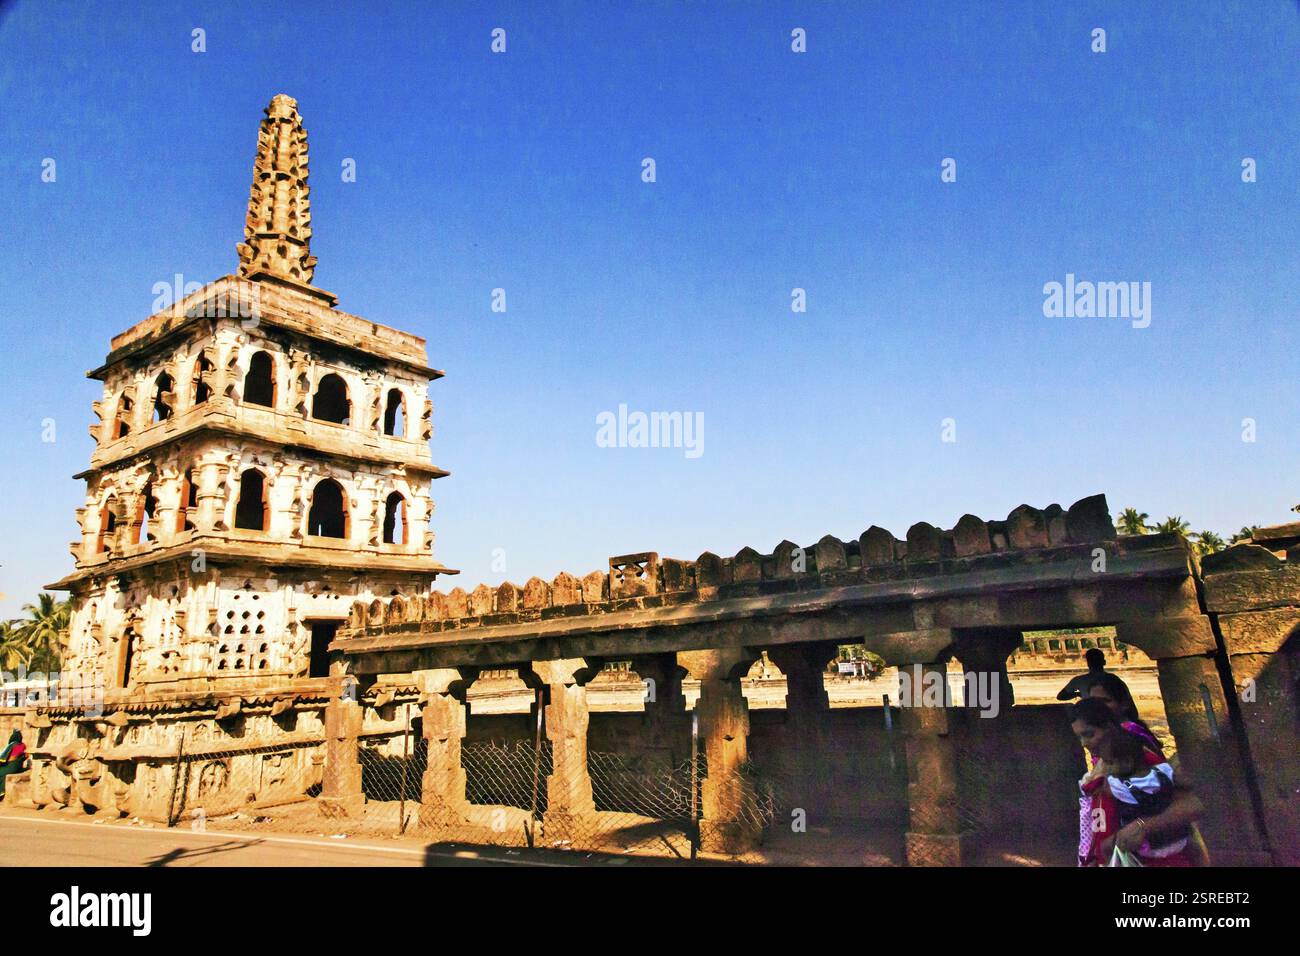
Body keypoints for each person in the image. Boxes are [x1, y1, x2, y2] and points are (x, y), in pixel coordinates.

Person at [1071, 698, 1204, 866]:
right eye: (1079, 737)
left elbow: (1191, 806)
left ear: (1109, 728)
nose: (1084, 743)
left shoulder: (1139, 759)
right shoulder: (1102, 766)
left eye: (1089, 734)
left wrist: (1142, 827)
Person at [0, 729, 27, 797]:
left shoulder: (13, 744)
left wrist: (4, 761)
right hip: (18, 766)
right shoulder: (23, 745)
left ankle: (1, 792)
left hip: (12, 766)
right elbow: (25, 755)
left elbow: (11, 758)